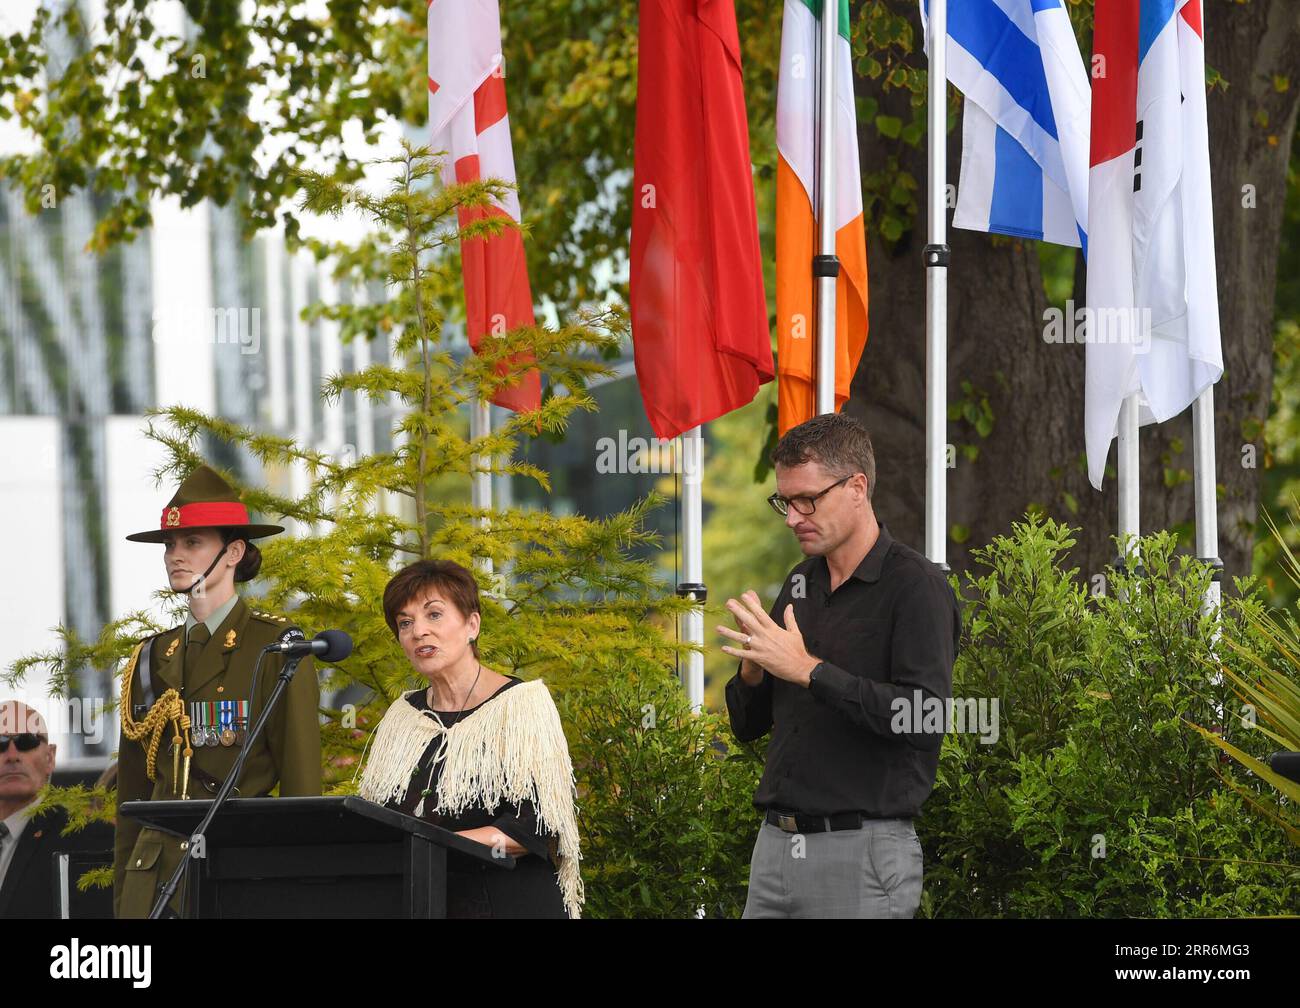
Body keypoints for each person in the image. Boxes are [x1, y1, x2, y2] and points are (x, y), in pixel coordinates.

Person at [719, 413, 960, 919]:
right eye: (784, 502)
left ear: (857, 488)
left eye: (807, 499)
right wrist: (754, 669)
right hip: (774, 848)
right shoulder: (799, 582)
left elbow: (924, 718)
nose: (792, 518)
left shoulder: (916, 587)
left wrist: (810, 670)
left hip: (862, 852)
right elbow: (748, 727)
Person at [114, 465, 321, 918]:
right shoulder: (149, 657)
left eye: (192, 542)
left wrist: (298, 895)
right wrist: (124, 898)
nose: (175, 555)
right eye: (169, 544)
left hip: (237, 876)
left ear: (234, 552)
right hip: (153, 882)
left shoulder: (275, 648)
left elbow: (302, 790)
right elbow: (132, 800)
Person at [356, 559, 583, 919]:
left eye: (434, 615)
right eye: (405, 623)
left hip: (505, 901)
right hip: (422, 902)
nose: (418, 632)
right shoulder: (403, 715)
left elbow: (536, 826)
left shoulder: (521, 705)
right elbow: (379, 820)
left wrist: (434, 845)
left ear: (472, 625)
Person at [0, 700, 113, 918]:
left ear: (50, 757)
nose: (12, 755)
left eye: (27, 741)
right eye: (0, 744)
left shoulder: (92, 839)